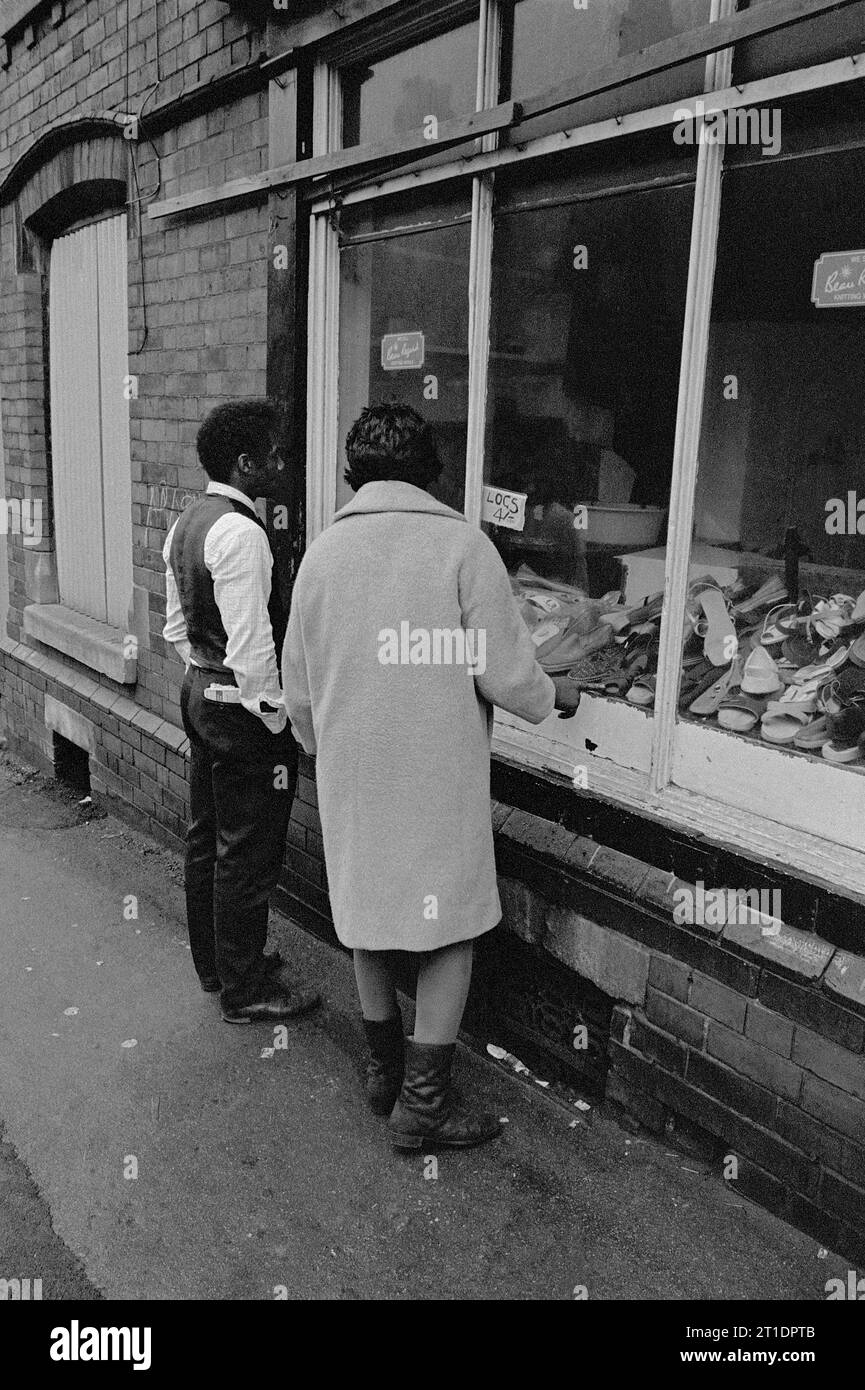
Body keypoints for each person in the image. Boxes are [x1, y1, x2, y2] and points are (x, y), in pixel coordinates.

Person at [282, 403, 579, 1149]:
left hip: (355, 768)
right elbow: (507, 675)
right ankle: (424, 1106)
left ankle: (384, 1074)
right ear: (428, 471)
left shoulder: (321, 553)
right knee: (449, 928)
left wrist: (324, 747)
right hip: (436, 773)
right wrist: (556, 695)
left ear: (356, 474)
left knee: (369, 915)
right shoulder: (462, 545)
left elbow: (297, 687)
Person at [163, 399, 320, 1024]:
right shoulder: (244, 533)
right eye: (273, 456)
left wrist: (205, 673)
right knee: (248, 851)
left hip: (199, 694)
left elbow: (177, 625)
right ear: (244, 462)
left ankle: (218, 965)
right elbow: (256, 654)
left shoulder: (188, 524)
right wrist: (284, 725)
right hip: (241, 712)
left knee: (207, 837)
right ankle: (246, 986)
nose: (282, 466)